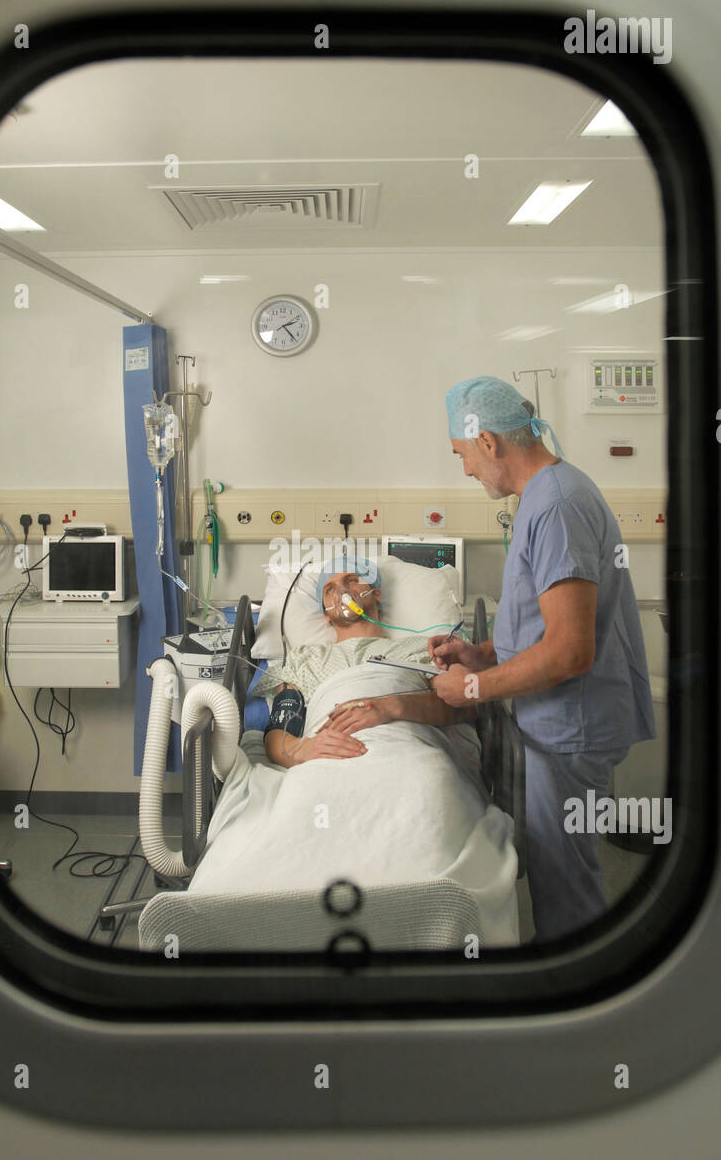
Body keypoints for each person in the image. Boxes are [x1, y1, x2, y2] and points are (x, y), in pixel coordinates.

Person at [428, 375, 656, 942]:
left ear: (487, 443)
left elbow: (570, 649)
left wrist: (471, 690)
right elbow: (542, 620)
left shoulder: (557, 506)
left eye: (462, 456)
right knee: (560, 867)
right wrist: (481, 654)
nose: (465, 471)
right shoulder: (548, 495)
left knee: (567, 880)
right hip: (558, 723)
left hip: (570, 728)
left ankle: (578, 995)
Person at [252, 559, 475, 768]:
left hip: (411, 755)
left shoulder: (423, 648)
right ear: (326, 615)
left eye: (352, 580)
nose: (341, 590)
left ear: (376, 593)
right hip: (330, 764)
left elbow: (461, 706)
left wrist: (392, 707)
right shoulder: (306, 658)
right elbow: (279, 730)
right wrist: (301, 750)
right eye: (330, 589)